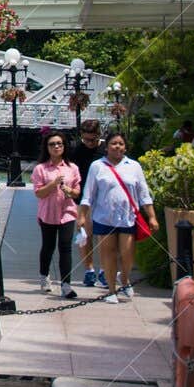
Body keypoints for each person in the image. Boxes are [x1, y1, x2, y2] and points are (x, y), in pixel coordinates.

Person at [78, 130, 159, 303]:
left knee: (127, 254)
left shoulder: (134, 166)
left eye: (121, 144)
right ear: (106, 147)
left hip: (128, 218)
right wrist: (82, 216)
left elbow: (144, 194)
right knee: (108, 254)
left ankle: (124, 279)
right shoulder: (97, 166)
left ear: (125, 147)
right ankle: (111, 291)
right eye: (114, 143)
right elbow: (88, 194)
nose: (117, 147)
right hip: (104, 217)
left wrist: (151, 216)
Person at [31, 131, 82, 299]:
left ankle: (66, 285)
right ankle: (44, 275)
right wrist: (53, 184)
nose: (56, 146)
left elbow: (77, 192)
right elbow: (39, 193)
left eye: (59, 143)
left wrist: (69, 190)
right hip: (48, 213)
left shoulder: (72, 168)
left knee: (65, 247)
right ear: (47, 147)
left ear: (64, 146)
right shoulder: (41, 169)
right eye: (52, 144)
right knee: (48, 246)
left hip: (67, 212)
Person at [68, 120, 106, 287]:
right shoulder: (77, 150)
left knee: (105, 237)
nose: (89, 143)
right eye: (86, 139)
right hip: (83, 198)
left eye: (93, 139)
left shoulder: (106, 149)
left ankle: (105, 270)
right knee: (84, 235)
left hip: (105, 198)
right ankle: (89, 270)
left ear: (99, 135)